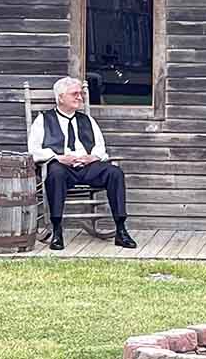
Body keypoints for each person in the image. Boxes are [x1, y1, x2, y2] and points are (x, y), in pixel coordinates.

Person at [28, 76, 137, 251]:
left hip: (87, 167)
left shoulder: (87, 120)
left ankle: (121, 230)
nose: (80, 97)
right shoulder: (43, 119)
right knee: (55, 172)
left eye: (81, 93)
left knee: (114, 173)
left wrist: (92, 157)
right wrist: (58, 157)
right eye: (75, 94)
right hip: (62, 167)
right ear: (61, 97)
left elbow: (100, 147)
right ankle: (57, 230)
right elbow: (33, 150)